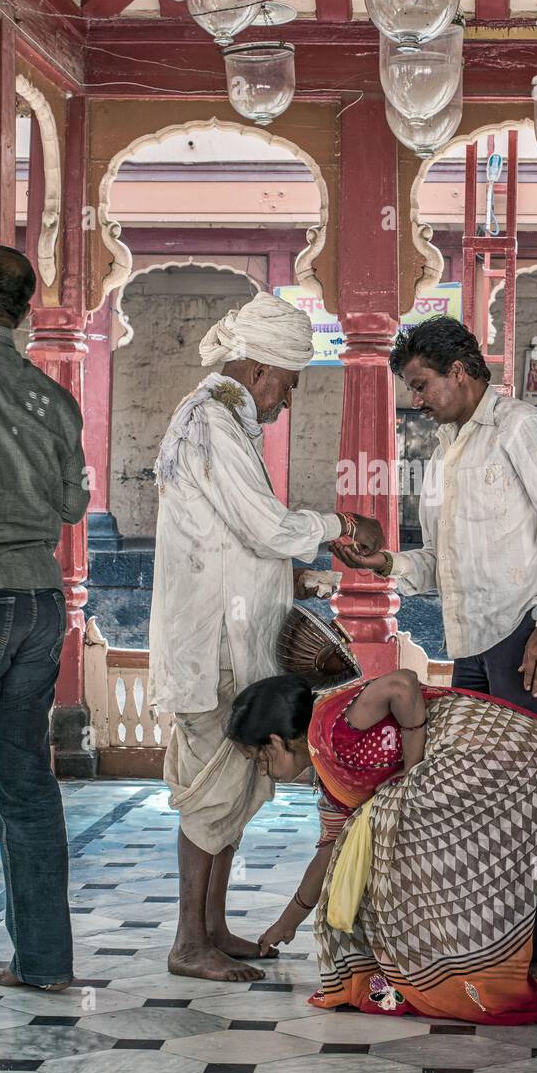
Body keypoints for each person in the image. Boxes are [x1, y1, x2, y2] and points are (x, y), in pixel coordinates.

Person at [332, 316, 537, 978]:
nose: (417, 399)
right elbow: (441, 561)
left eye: (422, 385)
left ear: (460, 371)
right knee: (480, 791)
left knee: (535, 786)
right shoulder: (447, 448)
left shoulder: (520, 428)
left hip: (523, 633)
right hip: (470, 639)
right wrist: (384, 563)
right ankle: (494, 939)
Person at [148, 292, 383, 983]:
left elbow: (236, 543)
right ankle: (188, 942)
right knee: (212, 793)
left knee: (237, 788)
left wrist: (296, 579)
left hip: (236, 641)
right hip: (211, 648)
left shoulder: (225, 421)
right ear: (258, 370)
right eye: (288, 381)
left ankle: (214, 930)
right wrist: (341, 526)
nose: (288, 396)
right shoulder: (209, 421)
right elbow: (265, 526)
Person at [230, 669, 537, 1024]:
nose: (262, 771)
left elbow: (400, 683)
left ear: (276, 742)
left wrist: (412, 765)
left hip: (497, 754)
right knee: (360, 845)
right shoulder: (328, 762)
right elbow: (330, 850)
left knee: (381, 830)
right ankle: (469, 977)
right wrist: (287, 923)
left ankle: (446, 982)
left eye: (258, 759)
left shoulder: (329, 728)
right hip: (534, 753)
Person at [0, 245, 90, 991]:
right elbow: (72, 505)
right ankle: (44, 963)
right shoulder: (51, 396)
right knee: (28, 787)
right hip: (40, 605)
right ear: (24, 309)